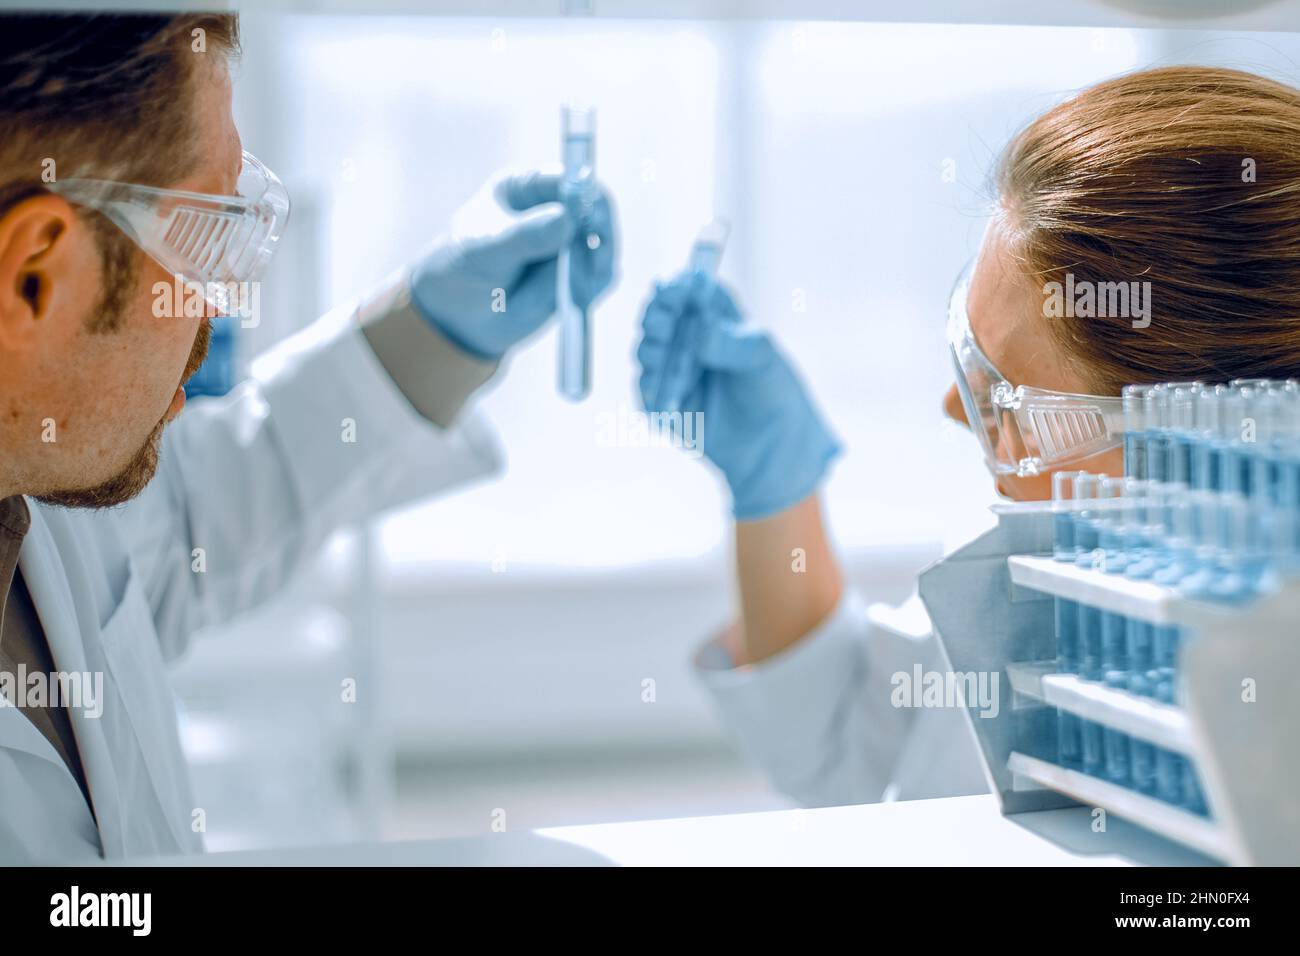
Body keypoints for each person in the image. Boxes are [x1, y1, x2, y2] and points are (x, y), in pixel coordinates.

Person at [0, 12, 616, 861]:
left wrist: (433, 336)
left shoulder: (42, 464)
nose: (214, 314)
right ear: (35, 276)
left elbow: (180, 531)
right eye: (206, 238)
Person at [636, 65, 1300, 807]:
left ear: (1224, 448)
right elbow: (839, 755)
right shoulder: (1050, 581)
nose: (955, 410)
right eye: (969, 360)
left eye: (1002, 400)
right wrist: (775, 491)